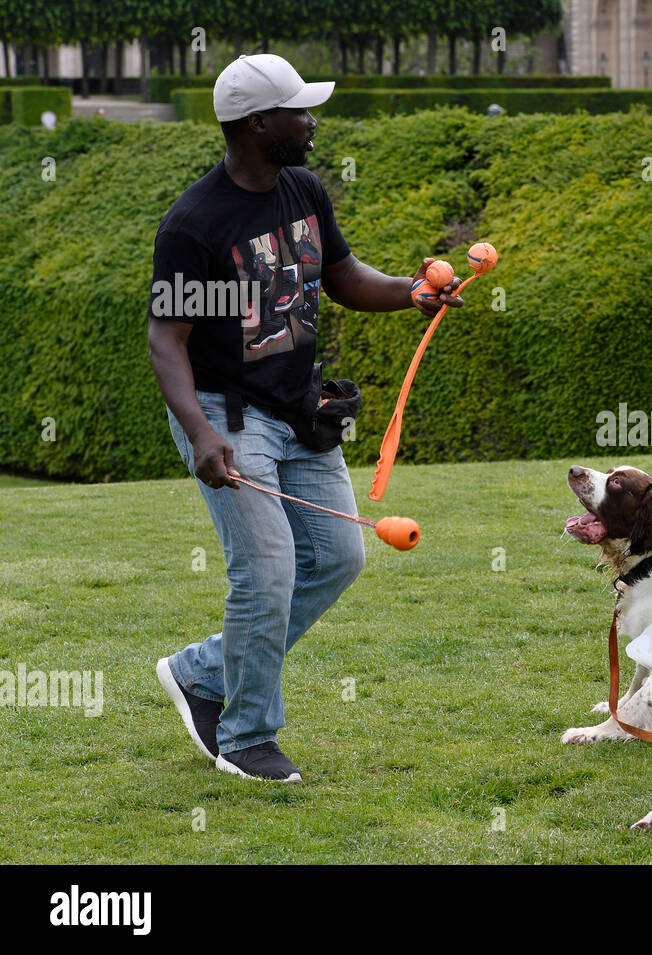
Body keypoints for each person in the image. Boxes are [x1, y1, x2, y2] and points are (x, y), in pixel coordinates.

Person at [148, 54, 462, 782]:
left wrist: (410, 291)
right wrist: (201, 433)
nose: (313, 121)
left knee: (339, 557)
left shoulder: (303, 189)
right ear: (260, 124)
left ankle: (202, 672)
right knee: (268, 569)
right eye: (300, 110)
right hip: (228, 418)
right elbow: (168, 341)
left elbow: (345, 276)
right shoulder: (195, 224)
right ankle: (246, 735)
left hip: (299, 407)